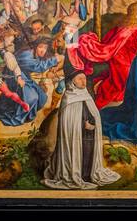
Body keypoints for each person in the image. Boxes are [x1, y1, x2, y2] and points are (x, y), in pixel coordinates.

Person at [43, 62, 120, 190]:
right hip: (76, 136)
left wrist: (93, 125)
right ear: (73, 81)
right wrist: (80, 125)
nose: (83, 82)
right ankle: (76, 174)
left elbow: (94, 115)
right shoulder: (68, 98)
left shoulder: (87, 96)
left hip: (89, 135)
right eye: (80, 79)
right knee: (77, 156)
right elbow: (67, 122)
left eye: (84, 78)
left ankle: (88, 176)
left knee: (88, 156)